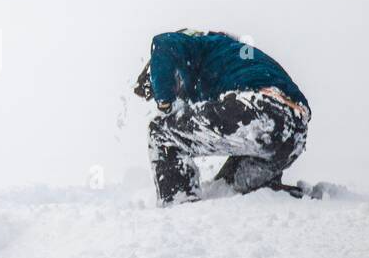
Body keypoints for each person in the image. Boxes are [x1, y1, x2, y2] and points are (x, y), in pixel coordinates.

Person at [133, 29, 311, 204]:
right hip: (293, 133)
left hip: (257, 108)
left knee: (160, 132)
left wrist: (164, 102)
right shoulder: (232, 56)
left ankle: (178, 207)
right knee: (226, 187)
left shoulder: (198, 44)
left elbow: (164, 43)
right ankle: (292, 200)